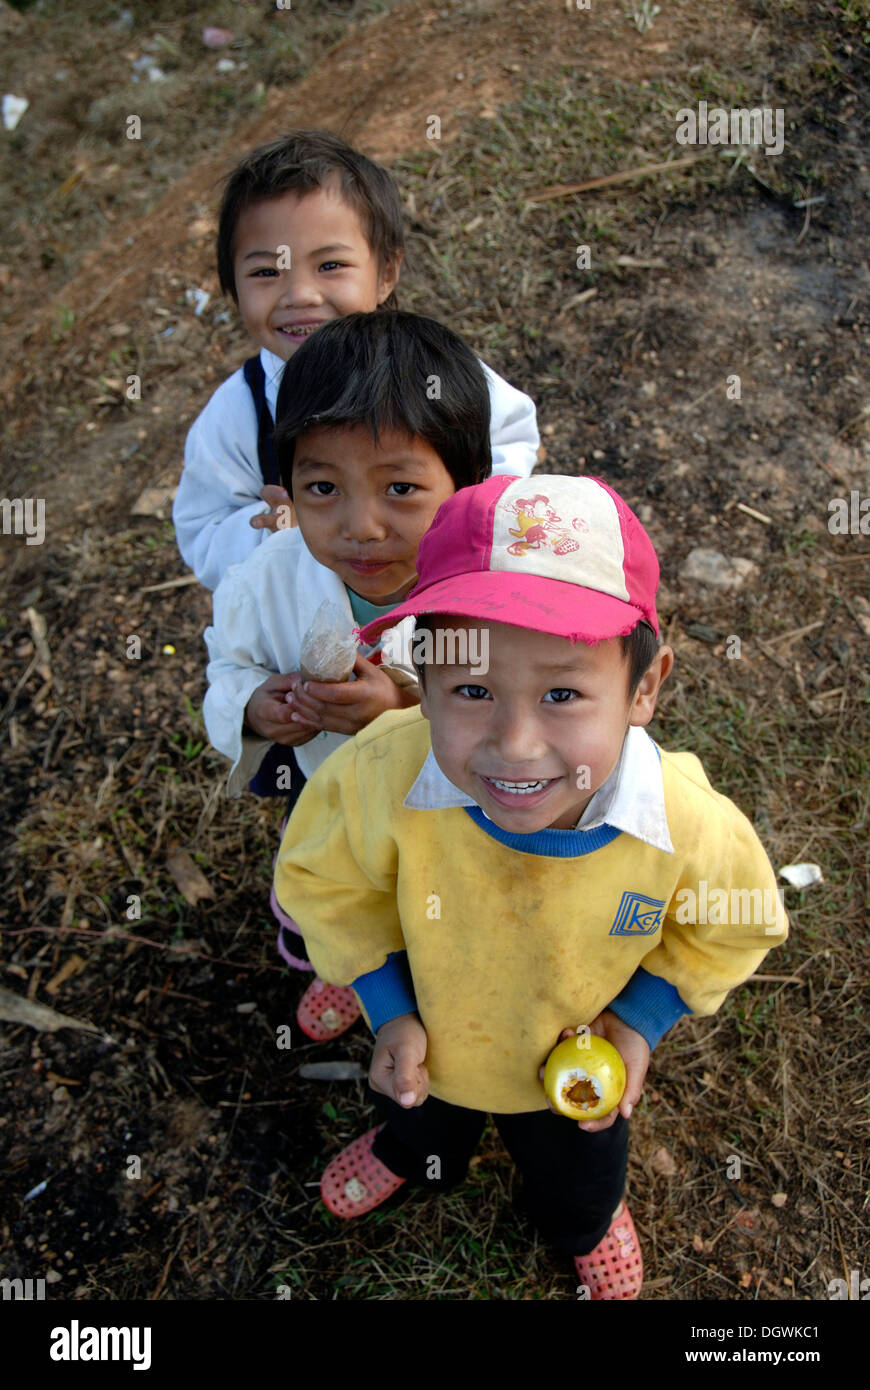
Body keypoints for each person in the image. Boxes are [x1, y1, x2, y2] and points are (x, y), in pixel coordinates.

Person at [273, 473, 789, 1299]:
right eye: (472, 691)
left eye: (562, 694)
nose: (514, 745)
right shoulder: (378, 777)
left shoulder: (687, 828)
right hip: (432, 1036)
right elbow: (331, 885)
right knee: (415, 1111)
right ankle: (408, 1154)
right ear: (425, 680)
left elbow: (736, 919)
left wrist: (639, 1023)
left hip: (570, 1060)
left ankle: (586, 1222)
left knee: (579, 1165)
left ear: (644, 688)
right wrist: (385, 1003)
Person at [203, 309, 493, 1043]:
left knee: (434, 898)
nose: (361, 525)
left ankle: (424, 976)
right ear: (287, 488)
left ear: (466, 486)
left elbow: (507, 710)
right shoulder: (267, 581)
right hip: (325, 787)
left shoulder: (486, 596)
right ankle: (340, 962)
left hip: (450, 811)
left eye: (400, 490)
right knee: (334, 887)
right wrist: (252, 705)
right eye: (324, 488)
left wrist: (398, 705)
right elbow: (229, 663)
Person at [172, 129, 539, 593]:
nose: (300, 295)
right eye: (266, 272)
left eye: (330, 266)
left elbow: (508, 436)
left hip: (439, 606)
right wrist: (277, 529)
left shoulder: (431, 371)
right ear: (232, 288)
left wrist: (463, 515)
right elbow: (202, 528)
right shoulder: (237, 415)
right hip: (313, 627)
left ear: (385, 273)